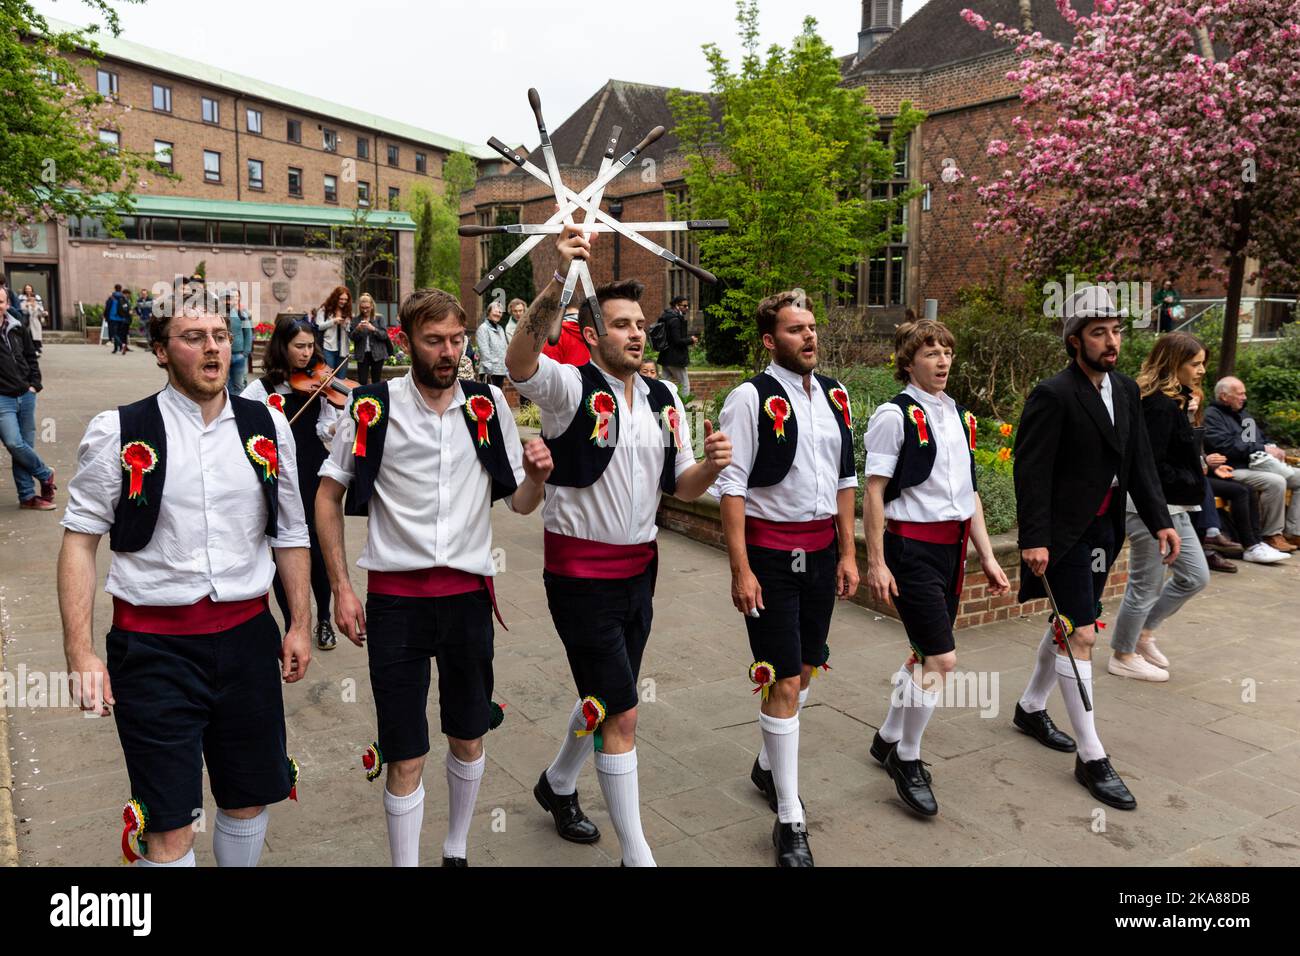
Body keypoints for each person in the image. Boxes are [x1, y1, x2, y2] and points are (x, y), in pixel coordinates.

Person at [57, 290, 313, 867]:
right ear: (160, 352)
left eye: (220, 335)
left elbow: (292, 532)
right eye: (194, 337)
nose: (212, 348)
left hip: (249, 640)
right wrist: (80, 654)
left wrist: (299, 623)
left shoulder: (267, 424)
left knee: (248, 800)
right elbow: (79, 540)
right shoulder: (118, 430)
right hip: (153, 649)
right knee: (169, 825)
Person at [505, 226, 732, 866]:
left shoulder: (664, 398)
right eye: (621, 324)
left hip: (642, 572)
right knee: (624, 715)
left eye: (640, 323)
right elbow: (519, 364)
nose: (636, 333)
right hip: (579, 576)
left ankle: (556, 783)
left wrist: (712, 468)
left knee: (606, 697)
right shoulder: (571, 386)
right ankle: (639, 855)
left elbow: (681, 485)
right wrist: (556, 277)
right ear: (594, 332)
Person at [317, 288, 551, 867]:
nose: (448, 352)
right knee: (404, 750)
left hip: (469, 599)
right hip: (396, 603)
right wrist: (342, 588)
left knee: (469, 733)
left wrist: (539, 479)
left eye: (456, 340)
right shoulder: (371, 406)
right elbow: (326, 496)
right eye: (434, 340)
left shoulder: (487, 405)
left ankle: (456, 848)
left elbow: (519, 504)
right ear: (406, 339)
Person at [1011, 285, 1178, 811]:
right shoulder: (1053, 394)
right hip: (1065, 533)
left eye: (1116, 332)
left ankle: (1030, 706)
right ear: (1074, 340)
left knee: (1066, 624)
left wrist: (1159, 521)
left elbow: (1140, 463)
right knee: (1081, 632)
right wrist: (1034, 537)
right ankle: (1092, 757)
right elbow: (1030, 471)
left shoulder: (1125, 390)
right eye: (1099, 333)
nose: (1111, 342)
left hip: (1106, 529)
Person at [712, 291, 861, 866]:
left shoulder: (835, 395)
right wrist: (741, 569)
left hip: (822, 552)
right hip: (772, 557)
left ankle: (767, 765)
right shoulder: (750, 398)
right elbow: (733, 486)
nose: (810, 337)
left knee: (806, 667)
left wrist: (849, 554)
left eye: (812, 327)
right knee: (784, 681)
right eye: (796, 330)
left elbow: (846, 478)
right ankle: (790, 816)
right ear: (771, 341)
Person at [863, 319, 1008, 819]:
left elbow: (969, 495)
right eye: (930, 353)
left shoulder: (959, 417)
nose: (943, 361)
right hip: (910, 551)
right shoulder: (893, 415)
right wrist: (876, 561)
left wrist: (986, 555)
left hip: (952, 551)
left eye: (947, 351)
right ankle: (907, 759)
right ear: (909, 362)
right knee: (942, 661)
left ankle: (886, 738)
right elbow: (875, 492)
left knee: (921, 652)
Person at [1109, 333, 1213, 681]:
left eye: (1202, 363)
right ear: (1173, 364)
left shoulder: (1177, 401)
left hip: (1175, 508)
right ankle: (1122, 654)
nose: (1201, 371)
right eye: (1194, 363)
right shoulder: (1157, 404)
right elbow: (1147, 462)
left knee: (1195, 576)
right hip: (1148, 509)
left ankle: (1143, 633)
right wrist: (1188, 477)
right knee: (1145, 584)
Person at [242, 316, 342, 650]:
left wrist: (337, 425)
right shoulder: (260, 390)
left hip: (313, 472)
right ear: (282, 347)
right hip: (280, 478)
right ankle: (292, 625)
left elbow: (325, 429)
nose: (306, 353)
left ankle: (324, 619)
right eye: (299, 346)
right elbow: (242, 429)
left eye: (310, 346)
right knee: (283, 548)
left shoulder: (319, 384)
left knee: (317, 548)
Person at [1204, 376, 1300, 554]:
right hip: (1234, 468)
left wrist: (1272, 446)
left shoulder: (1243, 414)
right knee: (1276, 482)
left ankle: (1294, 532)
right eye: (1240, 394)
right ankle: (1271, 535)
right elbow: (1225, 446)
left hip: (1258, 464)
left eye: (1244, 393)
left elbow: (1260, 438)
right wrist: (1261, 447)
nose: (1244, 397)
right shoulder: (1212, 416)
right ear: (1224, 396)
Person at [1, 286, 56, 511]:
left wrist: (35, 384)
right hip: (2, 399)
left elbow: (30, 356)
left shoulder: (16, 327)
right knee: (14, 443)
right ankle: (45, 474)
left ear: (7, 303)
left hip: (26, 394)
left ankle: (27, 498)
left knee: (23, 447)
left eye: (1, 301)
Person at [655, 295, 695, 394]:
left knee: (664, 384)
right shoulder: (675, 320)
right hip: (675, 358)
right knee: (685, 385)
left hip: (665, 356)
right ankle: (684, 407)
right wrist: (691, 340)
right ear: (677, 306)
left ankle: (662, 404)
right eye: (684, 306)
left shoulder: (666, 316)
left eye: (687, 305)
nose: (687, 308)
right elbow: (677, 340)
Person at [350, 292, 390, 385]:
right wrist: (357, 329)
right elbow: (352, 338)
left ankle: (376, 399)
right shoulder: (356, 320)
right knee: (362, 381)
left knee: (376, 381)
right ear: (359, 307)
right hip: (362, 355)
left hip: (377, 354)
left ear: (372, 306)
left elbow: (384, 335)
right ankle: (363, 399)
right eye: (362, 308)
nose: (365, 310)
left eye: (367, 307)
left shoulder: (379, 318)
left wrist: (373, 329)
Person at [316, 286, 353, 380]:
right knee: (328, 378)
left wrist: (347, 324)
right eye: (341, 299)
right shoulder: (325, 309)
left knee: (341, 379)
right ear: (335, 297)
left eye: (346, 299)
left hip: (343, 349)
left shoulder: (347, 310)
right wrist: (333, 321)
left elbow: (349, 331)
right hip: (328, 348)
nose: (343, 301)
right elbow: (319, 326)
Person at [226, 291, 254, 395]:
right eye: (227, 299)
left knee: (239, 384)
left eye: (231, 299)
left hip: (239, 355)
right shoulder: (219, 315)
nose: (228, 301)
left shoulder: (242, 315)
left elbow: (248, 333)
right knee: (224, 385)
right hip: (225, 355)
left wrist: (245, 352)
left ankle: (238, 407)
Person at [475, 302, 508, 387]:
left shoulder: (500, 329)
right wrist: (489, 370)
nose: (498, 314)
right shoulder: (483, 328)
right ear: (489, 312)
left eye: (500, 312)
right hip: (489, 371)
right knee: (489, 398)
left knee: (497, 398)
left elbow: (505, 348)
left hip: (500, 371)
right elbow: (484, 350)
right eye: (496, 311)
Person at [18, 285, 45, 356]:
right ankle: (30, 349)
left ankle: (36, 349)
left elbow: (41, 311)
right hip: (26, 318)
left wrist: (43, 312)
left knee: (35, 335)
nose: (28, 290)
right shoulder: (22, 297)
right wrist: (27, 305)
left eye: (29, 288)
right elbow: (22, 308)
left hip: (35, 321)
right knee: (28, 333)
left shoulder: (37, 301)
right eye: (26, 288)